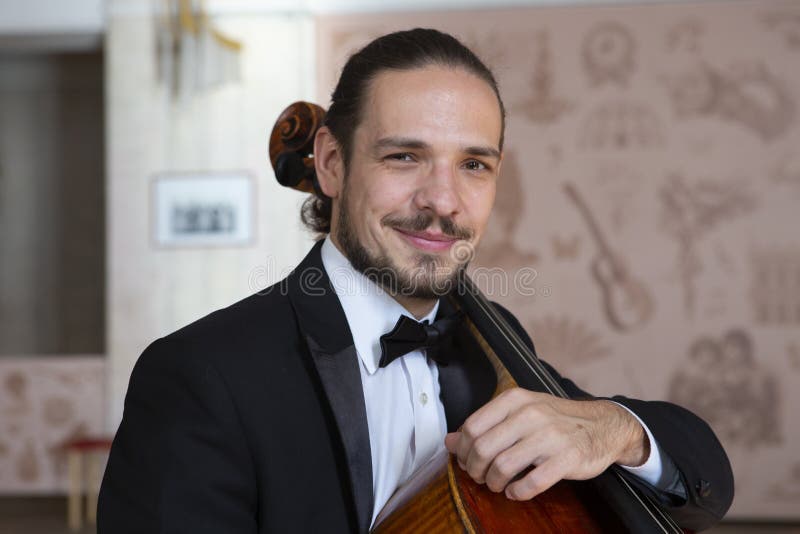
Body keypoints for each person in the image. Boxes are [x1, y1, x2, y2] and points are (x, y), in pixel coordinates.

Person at [97, 28, 733, 533]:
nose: (444, 201)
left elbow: (707, 479)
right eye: (405, 156)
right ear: (331, 163)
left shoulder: (493, 342)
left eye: (474, 165)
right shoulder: (199, 375)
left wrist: (612, 429)